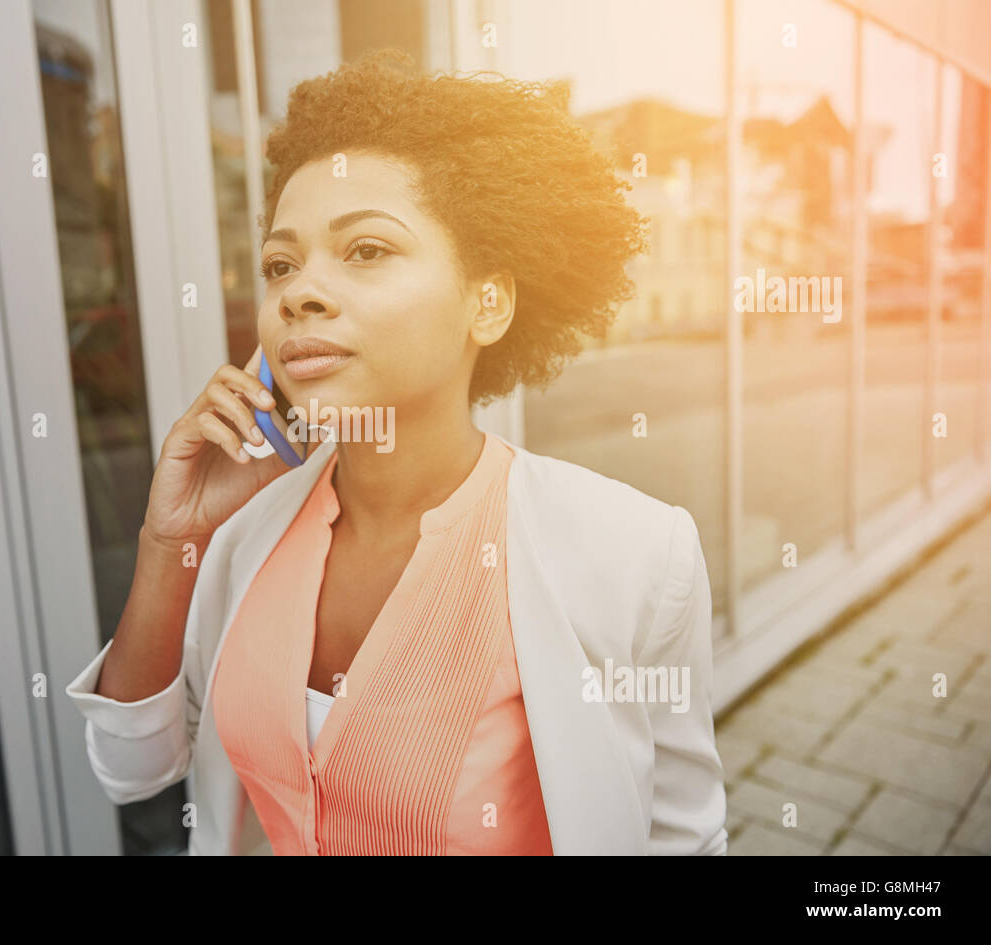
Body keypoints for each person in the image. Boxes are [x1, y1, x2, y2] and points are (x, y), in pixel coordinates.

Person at [66, 49, 727, 855]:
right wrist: (172, 544)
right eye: (281, 264)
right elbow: (130, 768)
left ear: (487, 304)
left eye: (366, 250)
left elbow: (683, 838)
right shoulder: (245, 536)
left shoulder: (633, 554)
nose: (298, 292)